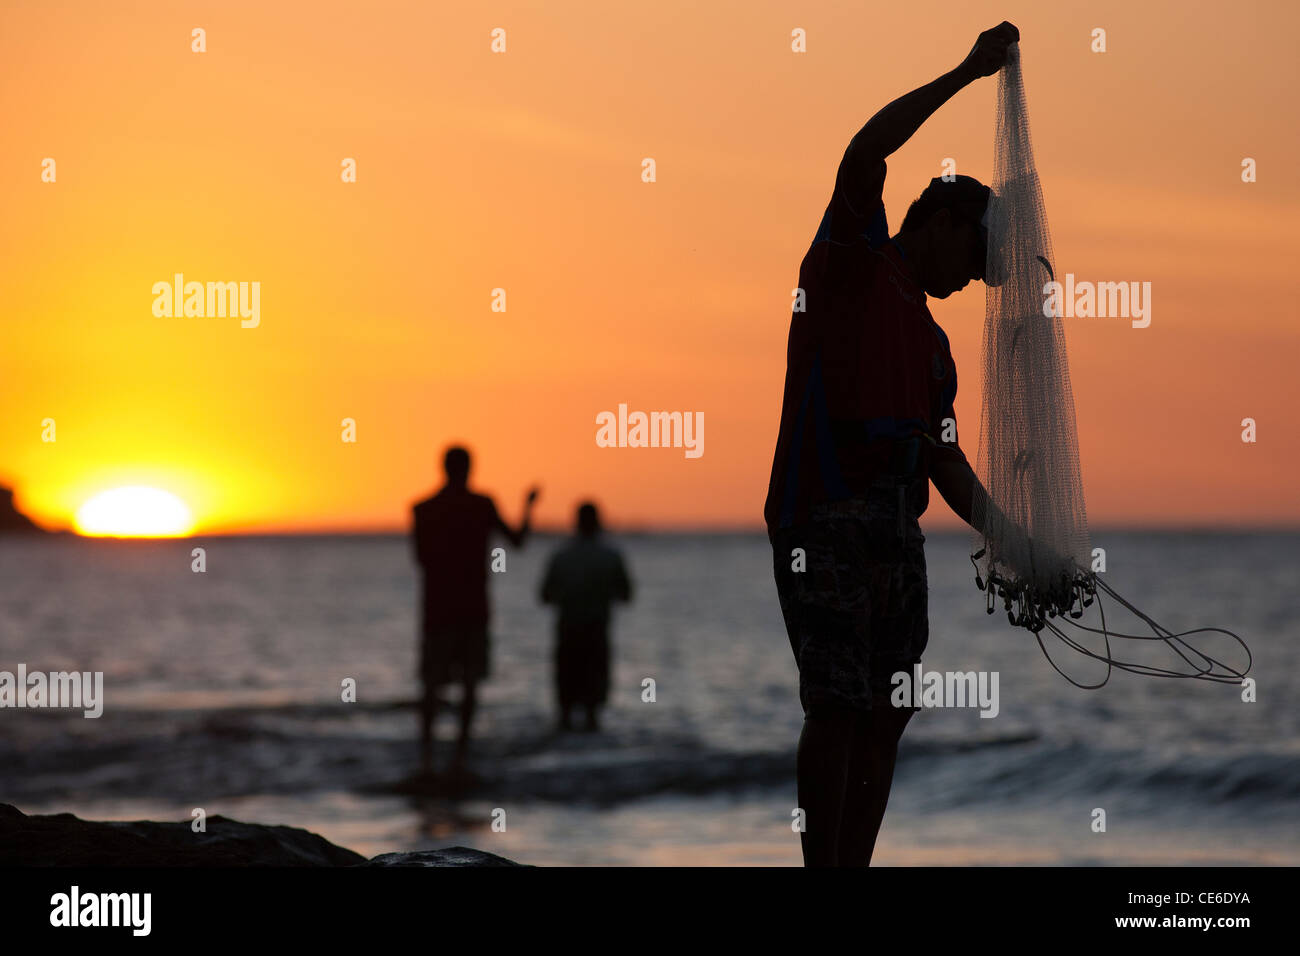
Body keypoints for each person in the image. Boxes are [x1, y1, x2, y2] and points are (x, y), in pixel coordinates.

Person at [763, 22, 1021, 866]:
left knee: (888, 707)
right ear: (940, 219)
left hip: (893, 531)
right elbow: (864, 151)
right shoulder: (851, 261)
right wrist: (966, 71)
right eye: (976, 257)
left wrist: (1019, 543)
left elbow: (944, 460)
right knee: (835, 704)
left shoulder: (936, 348)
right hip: (822, 517)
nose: (973, 280)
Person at [412, 445, 539, 777]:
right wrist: (528, 508)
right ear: (469, 469)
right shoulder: (482, 506)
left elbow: (421, 559)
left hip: (437, 608)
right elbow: (518, 541)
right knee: (469, 684)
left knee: (432, 685)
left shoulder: (423, 509)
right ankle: (459, 758)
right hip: (471, 608)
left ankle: (427, 759)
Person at [539, 502, 631, 732]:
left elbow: (545, 596)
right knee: (593, 702)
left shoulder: (561, 556)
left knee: (566, 699)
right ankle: (591, 747)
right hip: (596, 630)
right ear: (599, 522)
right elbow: (626, 595)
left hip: (568, 630)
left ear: (576, 523)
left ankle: (564, 745)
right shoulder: (610, 556)